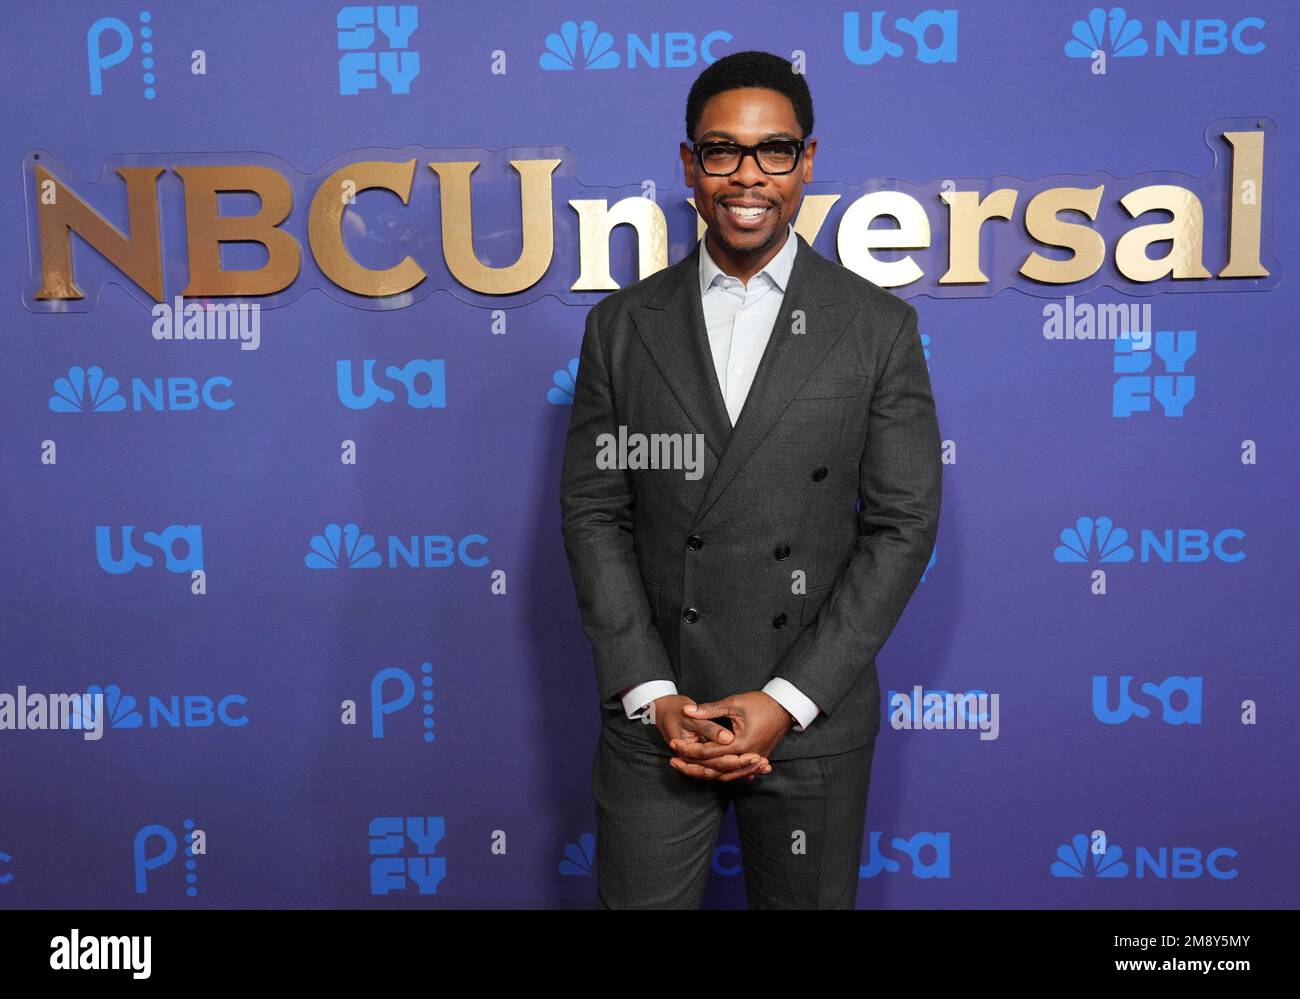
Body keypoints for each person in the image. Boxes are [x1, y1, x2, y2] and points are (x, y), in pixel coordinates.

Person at [560, 50, 942, 908]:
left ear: (807, 162)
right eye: (722, 150)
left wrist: (788, 697)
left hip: (811, 719)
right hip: (661, 719)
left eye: (774, 151)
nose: (748, 175)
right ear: (689, 164)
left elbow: (902, 525)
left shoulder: (877, 328)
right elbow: (595, 514)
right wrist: (652, 692)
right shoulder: (621, 326)